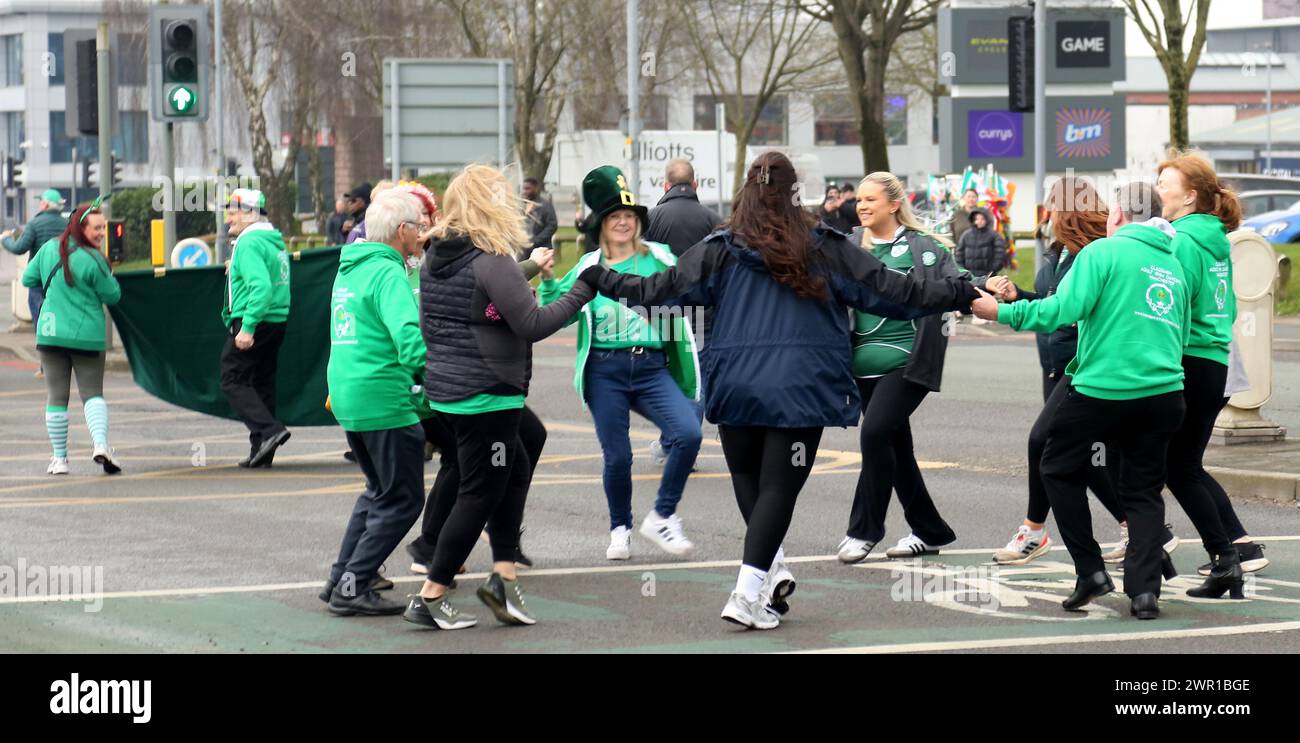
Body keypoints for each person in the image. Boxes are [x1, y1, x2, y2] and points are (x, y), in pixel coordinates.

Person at [579, 151, 977, 630]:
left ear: (748, 192)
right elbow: (897, 294)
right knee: (778, 490)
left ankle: (771, 573)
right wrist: (962, 292)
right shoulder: (826, 246)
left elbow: (657, 290)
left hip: (735, 381)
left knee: (752, 484)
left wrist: (597, 275)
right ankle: (748, 591)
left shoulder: (721, 247)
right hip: (801, 388)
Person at [971, 179, 1194, 620]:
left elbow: (1060, 311)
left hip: (1102, 389)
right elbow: (1180, 333)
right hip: (1166, 390)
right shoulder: (1174, 265)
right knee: (1144, 490)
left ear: (1118, 215)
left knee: (1056, 465)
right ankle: (1145, 593)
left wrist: (1001, 312)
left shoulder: (1099, 253)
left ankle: (1090, 570)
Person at [404, 164, 594, 630]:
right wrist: (582, 292)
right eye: (503, 196)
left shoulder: (441, 255)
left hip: (452, 388)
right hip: (487, 393)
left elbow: (480, 311)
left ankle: (503, 578)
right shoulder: (492, 259)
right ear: (490, 205)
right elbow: (531, 323)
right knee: (478, 493)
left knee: (517, 465)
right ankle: (431, 594)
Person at [985, 178, 1152, 566]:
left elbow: (1071, 309)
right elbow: (1052, 303)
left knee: (1043, 442)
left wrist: (1005, 313)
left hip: (1083, 367)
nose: (1045, 214)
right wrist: (1020, 297)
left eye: (1050, 207)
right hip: (1055, 366)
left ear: (1066, 211)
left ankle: (1035, 530)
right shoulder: (1058, 253)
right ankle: (1140, 531)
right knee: (1082, 459)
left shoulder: (1093, 254)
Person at [540, 165, 703, 561]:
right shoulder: (588, 266)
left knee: (689, 434)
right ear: (601, 224)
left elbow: (689, 297)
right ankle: (620, 528)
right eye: (615, 217)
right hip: (604, 368)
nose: (624, 223)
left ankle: (663, 514)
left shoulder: (662, 257)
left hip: (651, 366)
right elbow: (553, 309)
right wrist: (546, 280)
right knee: (618, 456)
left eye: (630, 217)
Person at [835, 172, 965, 564]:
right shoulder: (848, 247)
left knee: (874, 434)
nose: (861, 206)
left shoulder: (921, 248)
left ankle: (864, 529)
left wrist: (993, 287)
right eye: (859, 199)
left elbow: (957, 282)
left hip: (907, 363)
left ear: (894, 204)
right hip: (860, 368)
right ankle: (929, 530)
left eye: (871, 199)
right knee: (897, 450)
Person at [320, 189, 430, 616]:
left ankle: (340, 577)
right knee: (403, 499)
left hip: (350, 394)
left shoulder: (351, 267)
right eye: (419, 226)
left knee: (378, 492)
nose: (423, 233)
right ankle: (352, 585)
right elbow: (408, 339)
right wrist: (435, 377)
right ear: (401, 231)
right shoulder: (388, 274)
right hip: (383, 397)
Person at [1157, 151, 1264, 590]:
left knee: (1170, 466)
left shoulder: (1180, 240)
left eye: (1166, 182)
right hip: (1215, 360)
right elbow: (1227, 305)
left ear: (1189, 195)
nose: (1159, 188)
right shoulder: (1214, 238)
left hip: (1186, 358)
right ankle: (1231, 552)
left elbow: (1173, 305)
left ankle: (1223, 556)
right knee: (1185, 465)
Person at [21, 199, 121, 475]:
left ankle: (59, 459)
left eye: (104, 228)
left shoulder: (48, 249)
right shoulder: (94, 260)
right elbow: (113, 295)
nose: (102, 233)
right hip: (86, 335)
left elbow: (28, 280)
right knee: (92, 394)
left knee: (56, 397)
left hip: (50, 333)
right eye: (97, 228)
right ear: (82, 227)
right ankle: (100, 445)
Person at [645, 158, 722, 465]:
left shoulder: (650, 219)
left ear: (665, 185)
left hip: (660, 312)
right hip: (703, 312)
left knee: (665, 377)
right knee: (696, 380)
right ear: (695, 185)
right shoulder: (713, 219)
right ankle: (681, 443)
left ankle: (671, 439)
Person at [221, 188, 291, 468]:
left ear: (251, 214)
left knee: (232, 378)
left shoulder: (249, 244)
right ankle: (261, 451)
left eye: (234, 210)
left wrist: (247, 326)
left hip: (256, 320)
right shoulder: (272, 240)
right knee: (262, 381)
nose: (228, 217)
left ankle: (270, 431)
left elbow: (261, 287)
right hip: (276, 320)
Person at [4, 189, 70, 376]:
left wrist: (6, 239)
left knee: (42, 324)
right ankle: (64, 362)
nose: (39, 204)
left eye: (41, 201)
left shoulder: (34, 224)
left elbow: (19, 248)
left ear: (46, 205)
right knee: (61, 321)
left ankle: (46, 366)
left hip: (39, 281)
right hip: (61, 280)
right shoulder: (66, 224)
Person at [954, 207, 1007, 277]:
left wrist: (994, 269)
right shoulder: (966, 235)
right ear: (973, 220)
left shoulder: (994, 235)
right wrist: (963, 270)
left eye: (982, 219)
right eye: (977, 219)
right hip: (969, 275)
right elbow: (959, 254)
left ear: (987, 220)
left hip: (988, 275)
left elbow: (1000, 253)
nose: (979, 221)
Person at [521, 177, 557, 250]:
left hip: (541, 248)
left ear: (536, 188)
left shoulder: (545, 205)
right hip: (524, 250)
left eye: (528, 189)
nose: (524, 191)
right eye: (524, 189)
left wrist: (536, 241)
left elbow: (552, 225)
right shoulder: (522, 206)